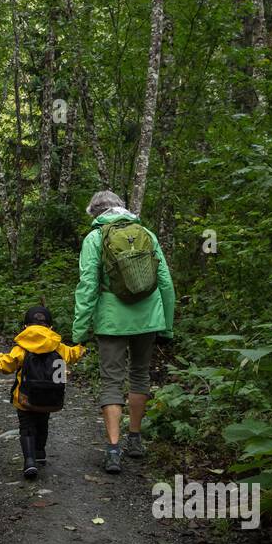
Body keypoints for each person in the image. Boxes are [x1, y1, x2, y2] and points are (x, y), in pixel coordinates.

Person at [71, 190, 175, 474]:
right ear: (121, 208)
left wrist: (79, 331)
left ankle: (114, 450)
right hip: (149, 318)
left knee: (111, 382)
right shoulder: (146, 234)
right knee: (141, 375)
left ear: (95, 213)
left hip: (112, 321)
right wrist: (167, 324)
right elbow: (165, 281)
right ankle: (136, 439)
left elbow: (88, 286)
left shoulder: (94, 239)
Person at [0, 305, 86, 478]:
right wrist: (82, 347)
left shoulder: (22, 348)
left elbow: (6, 366)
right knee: (43, 423)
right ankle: (40, 453)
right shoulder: (59, 348)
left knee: (27, 427)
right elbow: (73, 354)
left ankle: (29, 461)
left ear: (25, 327)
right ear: (50, 328)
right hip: (51, 398)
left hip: (25, 398)